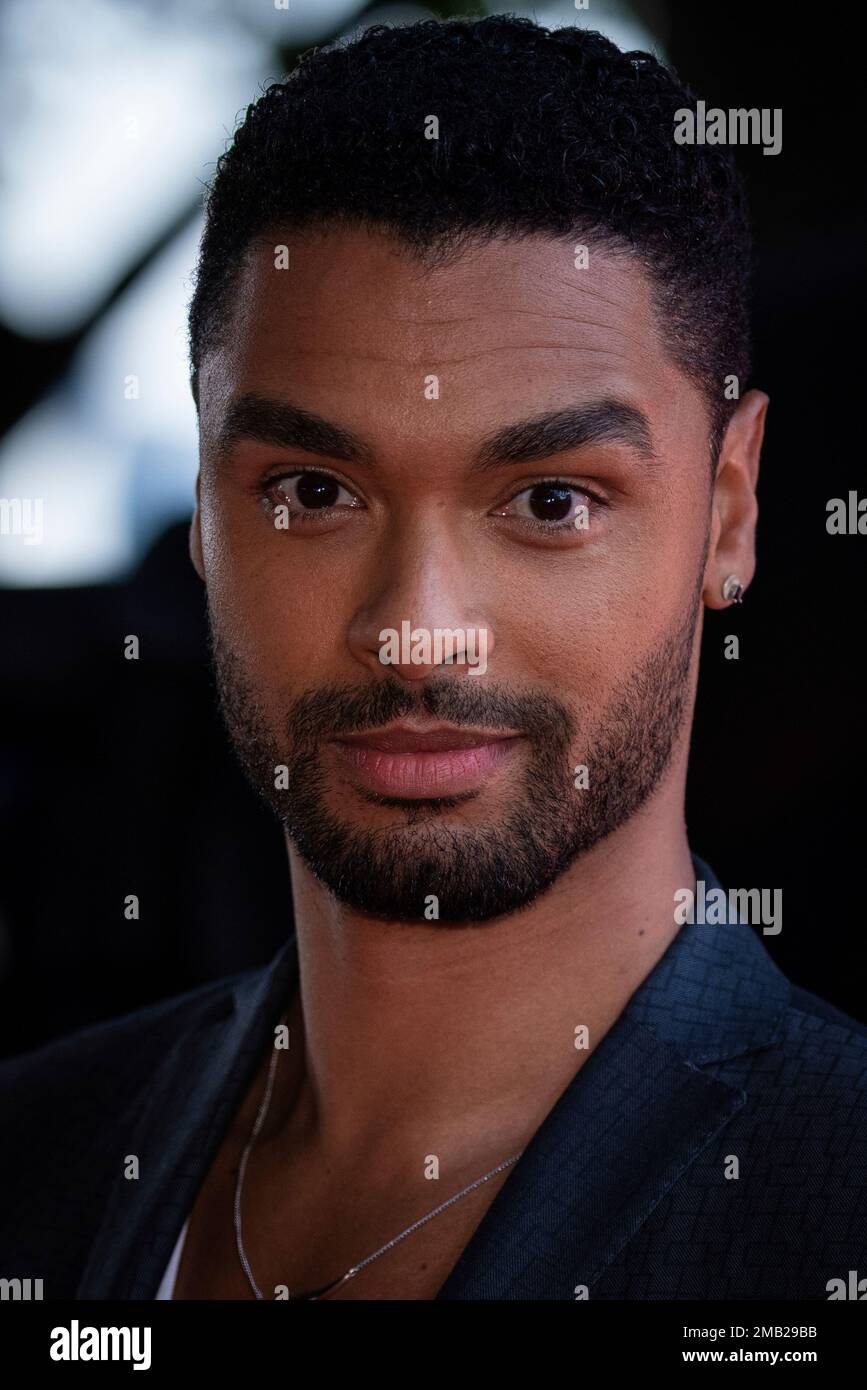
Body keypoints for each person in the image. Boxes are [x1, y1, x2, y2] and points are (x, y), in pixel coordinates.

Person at [2, 15, 865, 1302]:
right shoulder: (36, 1157)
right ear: (199, 504)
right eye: (313, 488)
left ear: (728, 512)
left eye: (551, 502)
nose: (415, 628)